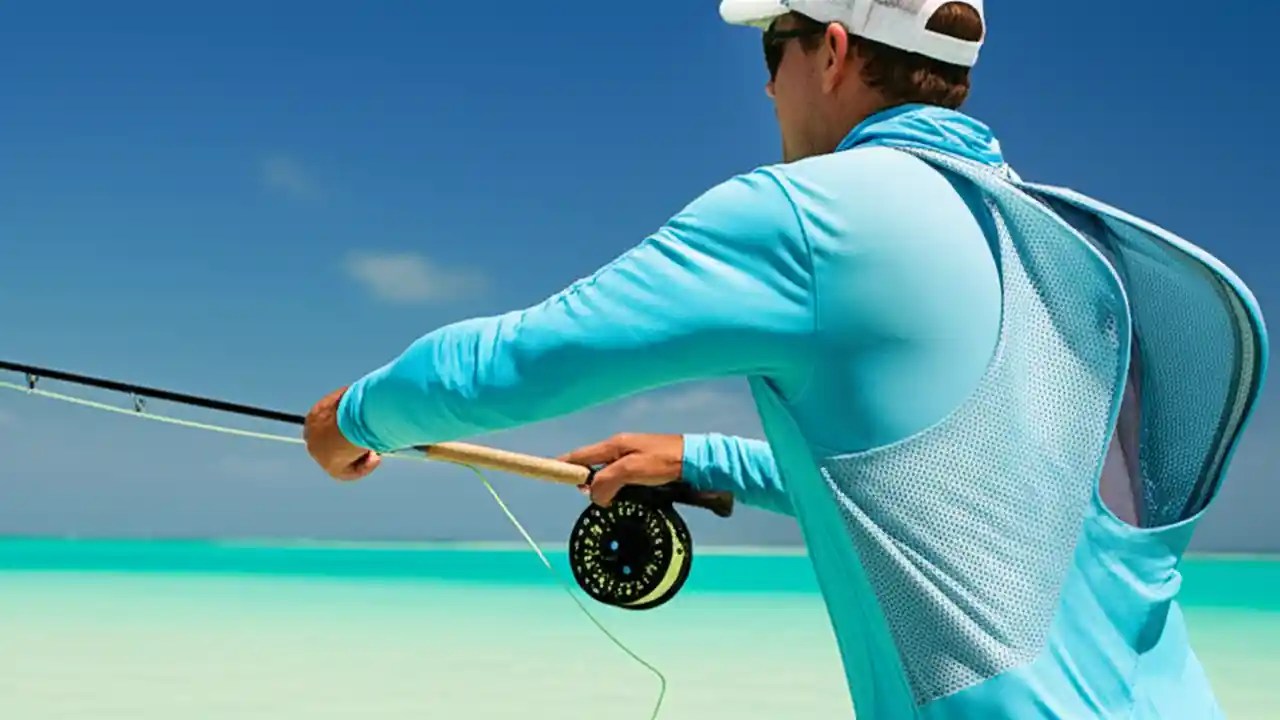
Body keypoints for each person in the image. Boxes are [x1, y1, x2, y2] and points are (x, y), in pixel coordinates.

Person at [303, 1, 1269, 717]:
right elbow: (972, 491)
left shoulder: (812, 217)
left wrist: (354, 419)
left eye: (775, 49)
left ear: (834, 52)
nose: (766, 85)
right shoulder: (1070, 249)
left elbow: (525, 360)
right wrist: (700, 458)